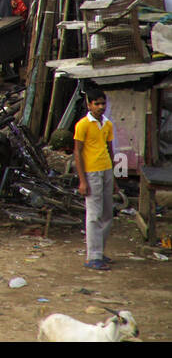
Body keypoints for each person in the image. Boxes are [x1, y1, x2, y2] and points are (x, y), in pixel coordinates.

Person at [75, 87, 116, 271]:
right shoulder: (83, 124)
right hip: (91, 172)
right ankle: (93, 257)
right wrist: (82, 180)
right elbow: (78, 152)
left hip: (106, 170)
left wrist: (114, 177)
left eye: (103, 103)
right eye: (97, 103)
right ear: (89, 104)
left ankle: (99, 252)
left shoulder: (107, 124)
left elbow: (110, 149)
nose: (101, 106)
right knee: (93, 215)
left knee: (108, 214)